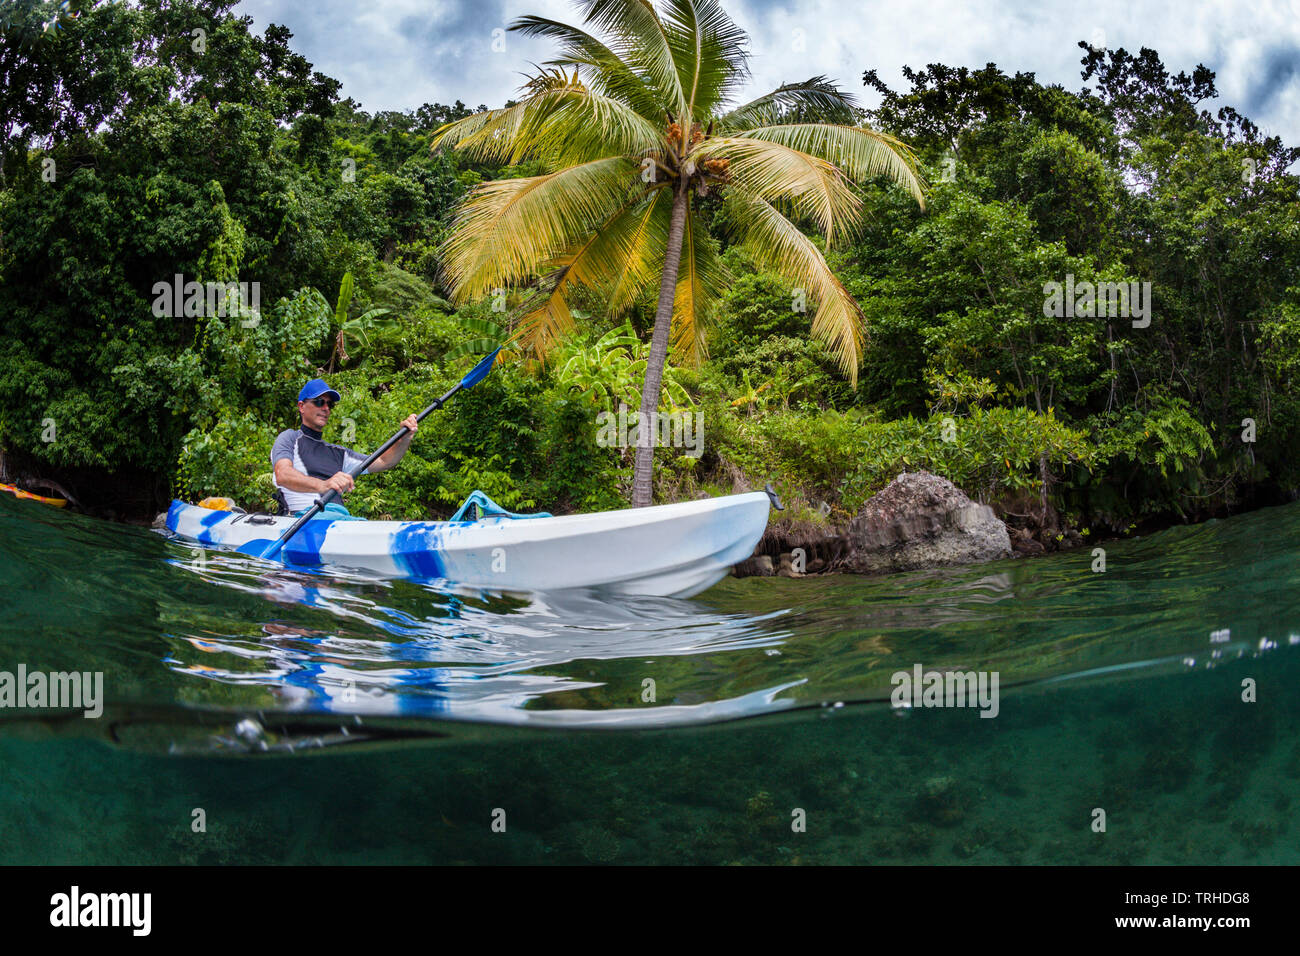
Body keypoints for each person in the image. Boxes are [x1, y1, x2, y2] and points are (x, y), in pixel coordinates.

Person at [271, 378, 418, 518]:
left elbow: (385, 461)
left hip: (338, 520)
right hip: (303, 520)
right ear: (301, 406)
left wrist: (404, 438)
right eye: (319, 402)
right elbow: (283, 474)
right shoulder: (289, 438)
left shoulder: (339, 453)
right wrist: (324, 485)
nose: (326, 408)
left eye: (330, 404)